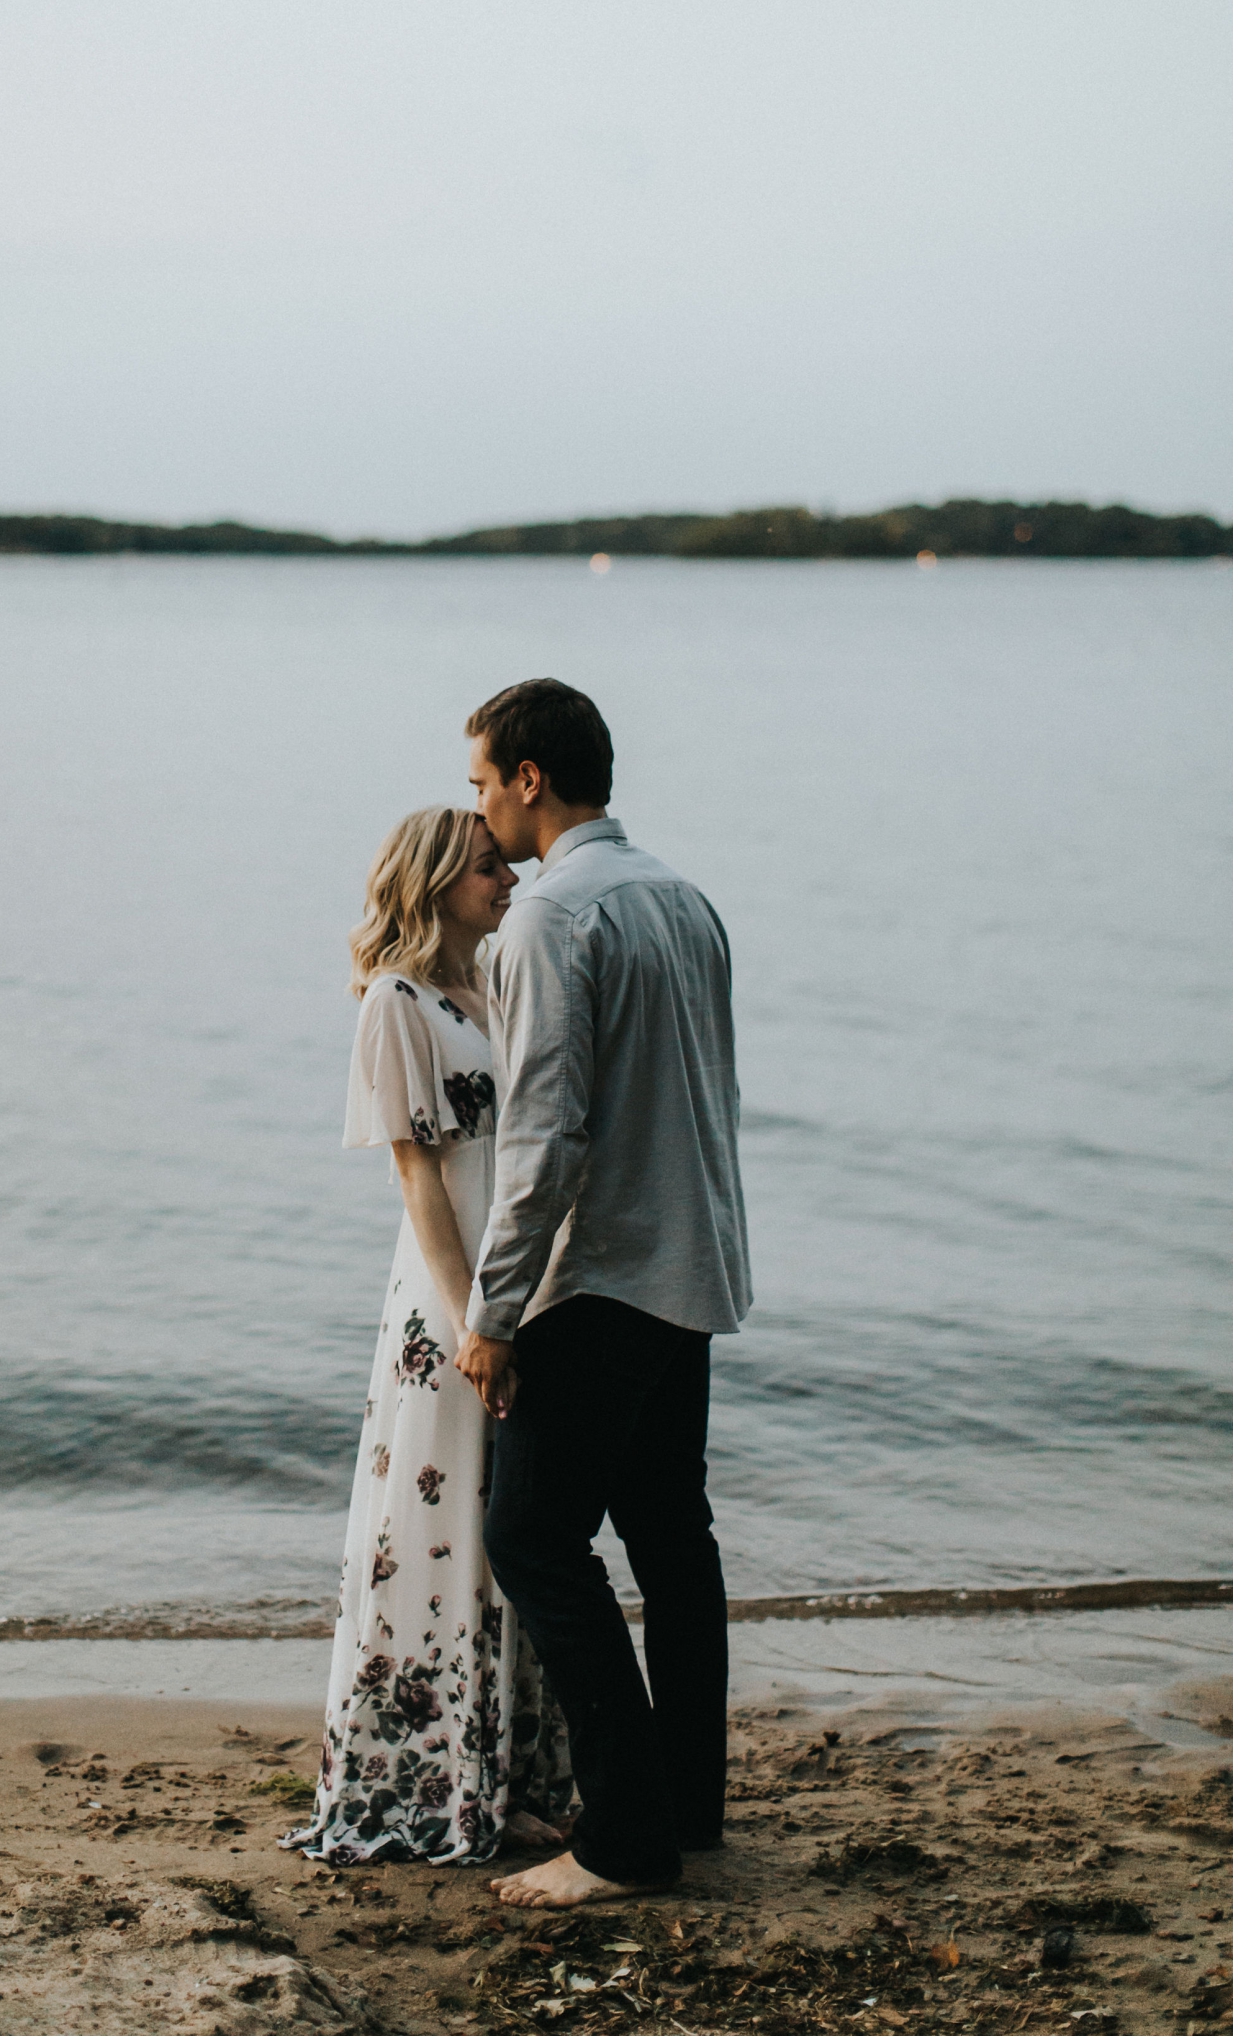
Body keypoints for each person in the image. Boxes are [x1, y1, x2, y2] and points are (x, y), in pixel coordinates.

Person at [453, 678, 752, 1907]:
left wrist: (491, 1311)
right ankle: (685, 1805)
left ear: (531, 778)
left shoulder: (549, 920)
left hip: (604, 1272)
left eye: (481, 781)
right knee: (671, 1540)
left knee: (532, 1537)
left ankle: (625, 1835)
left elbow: (544, 1138)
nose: (477, 810)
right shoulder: (686, 899)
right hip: (693, 1264)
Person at [283, 804, 573, 1867]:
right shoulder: (397, 1005)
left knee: (513, 1528)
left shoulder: (491, 989)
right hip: (450, 1303)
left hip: (512, 1291)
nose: (509, 879)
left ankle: (507, 1776)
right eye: (491, 867)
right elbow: (419, 1180)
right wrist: (469, 1326)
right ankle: (446, 1782)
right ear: (440, 878)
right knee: (447, 1527)